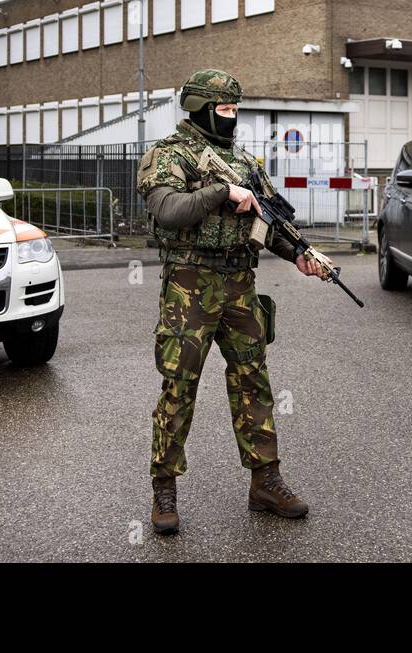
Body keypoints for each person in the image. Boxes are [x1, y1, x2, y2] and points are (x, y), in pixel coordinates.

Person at [135, 69, 328, 534]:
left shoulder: (244, 160)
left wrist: (300, 253)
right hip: (189, 286)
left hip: (240, 283)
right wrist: (223, 190)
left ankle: (265, 480)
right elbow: (168, 210)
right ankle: (165, 488)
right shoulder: (168, 155)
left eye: (236, 109)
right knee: (179, 386)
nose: (233, 117)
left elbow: (267, 223)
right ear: (201, 108)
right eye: (224, 109)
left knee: (253, 381)